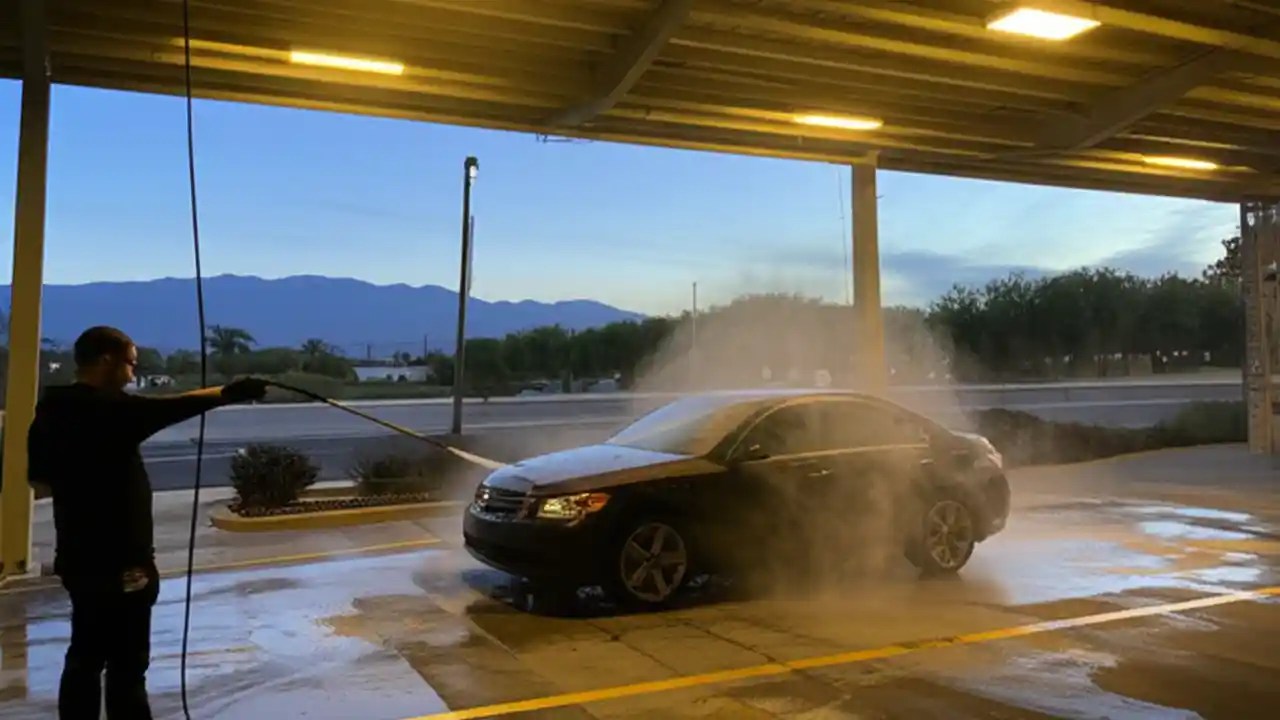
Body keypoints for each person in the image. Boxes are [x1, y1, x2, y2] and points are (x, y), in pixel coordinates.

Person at [26, 326, 268, 720]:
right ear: (106, 360)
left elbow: (38, 481)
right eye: (130, 364)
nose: (132, 374)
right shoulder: (110, 411)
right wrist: (230, 393)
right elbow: (170, 407)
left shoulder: (50, 414)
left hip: (77, 558)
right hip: (124, 561)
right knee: (127, 663)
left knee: (85, 654)